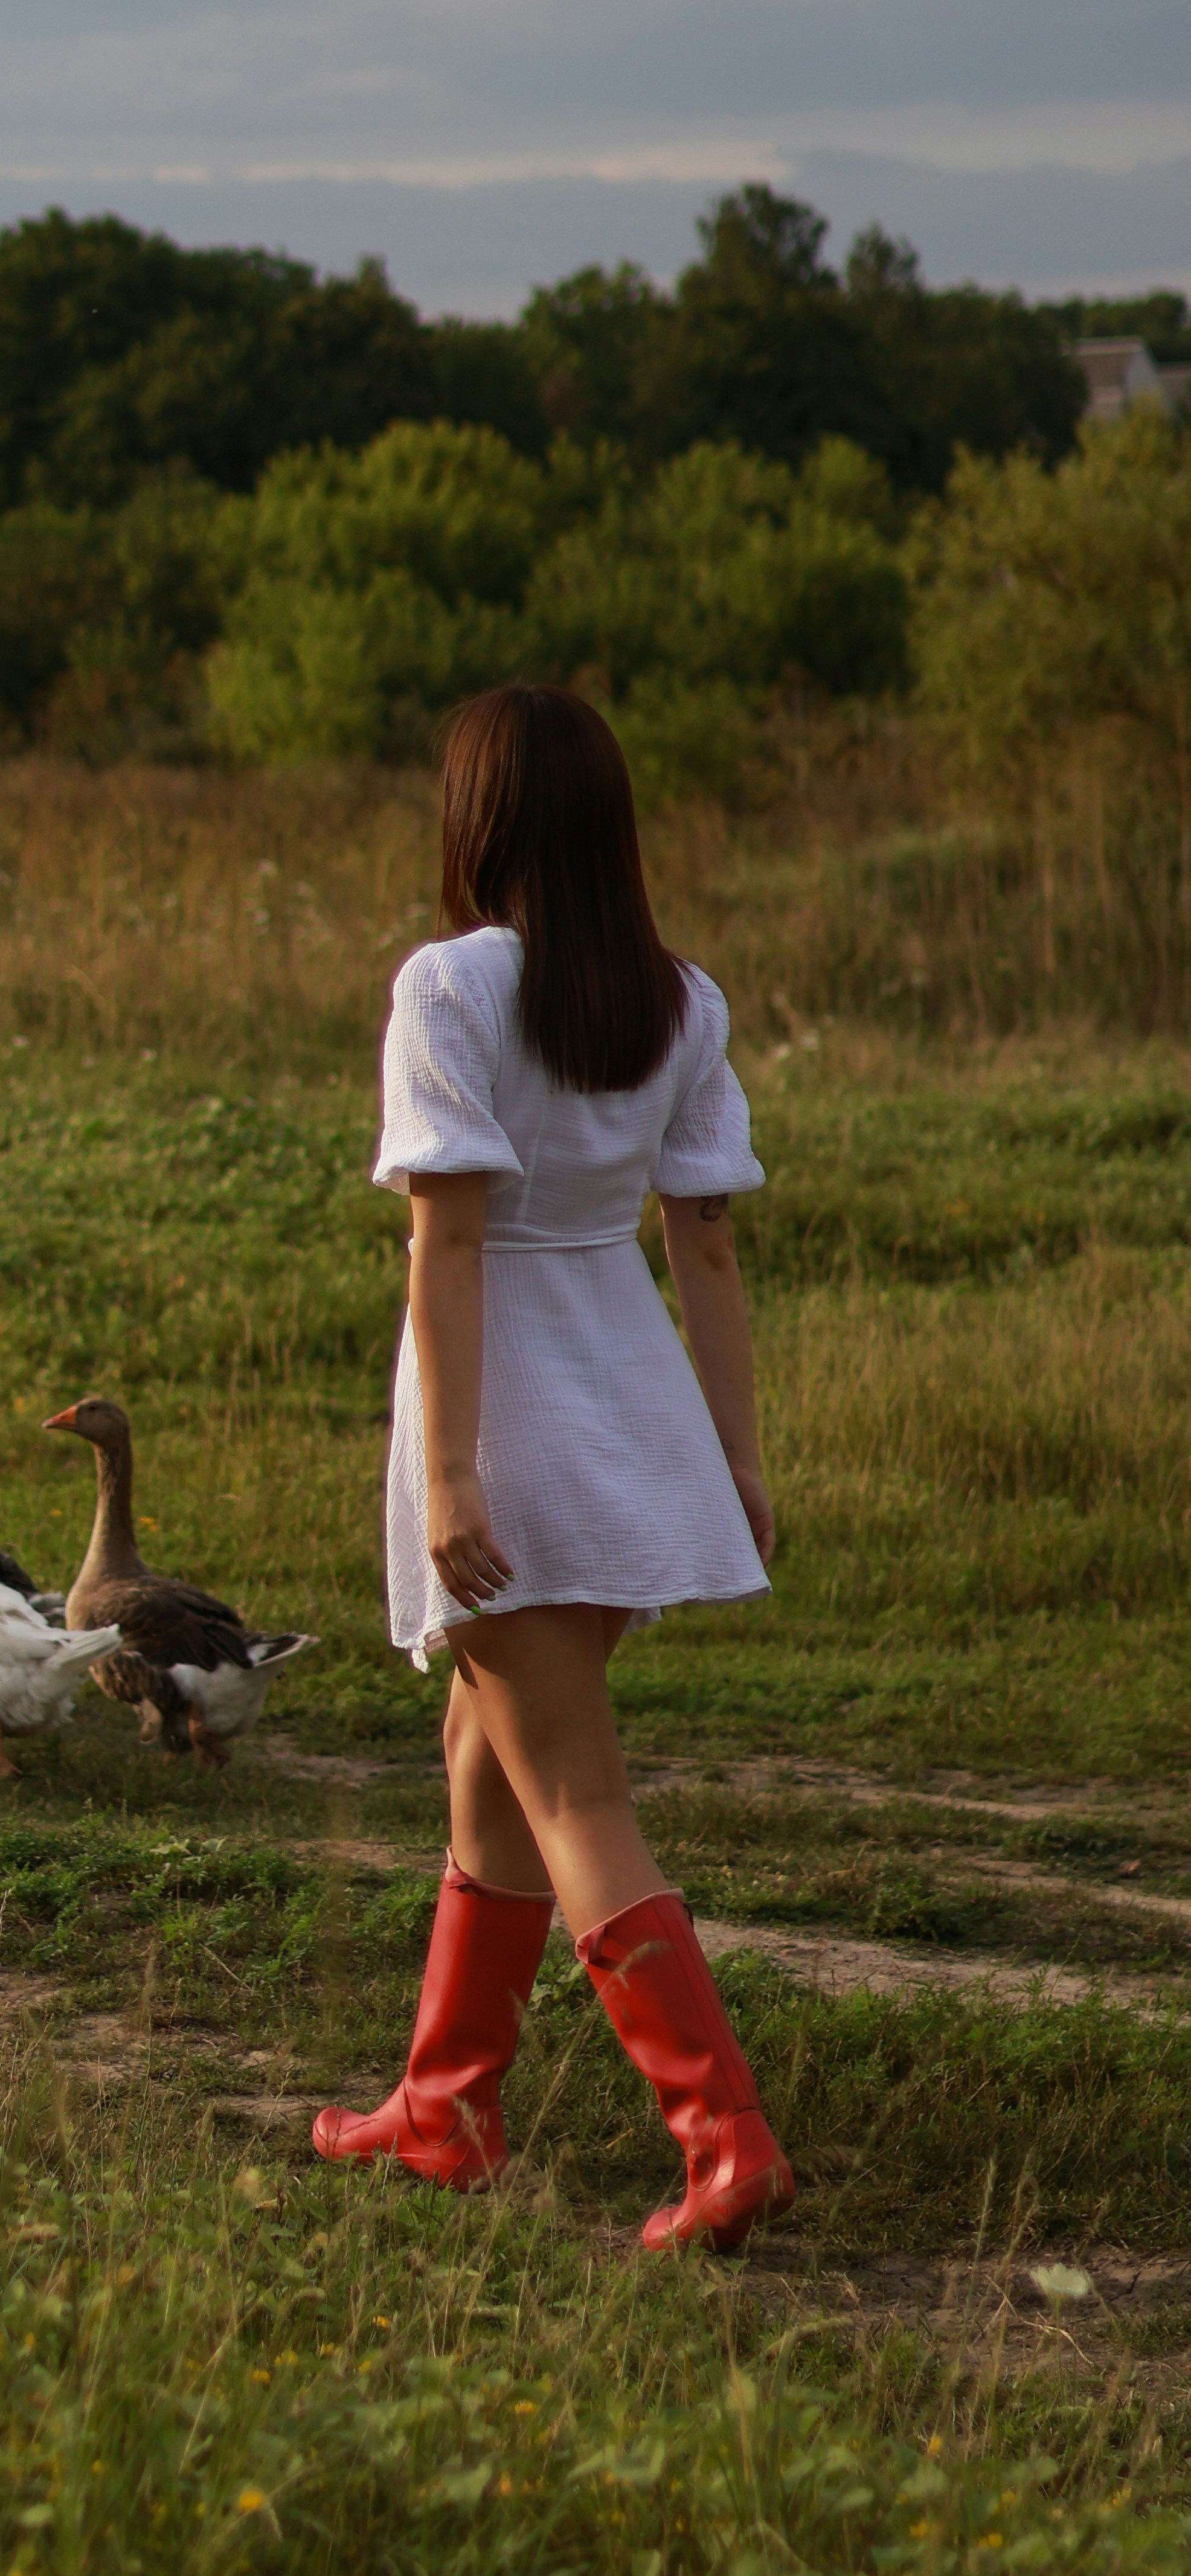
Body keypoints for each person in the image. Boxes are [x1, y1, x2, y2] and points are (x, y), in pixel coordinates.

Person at [310, 683, 793, 2250]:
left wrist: (450, 1480)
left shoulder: (449, 989)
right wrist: (724, 1461)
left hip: (512, 1421)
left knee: (573, 1788)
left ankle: (727, 2142)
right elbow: (702, 1245)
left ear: (482, 821)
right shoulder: (678, 999)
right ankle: (445, 2106)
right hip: (629, 1409)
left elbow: (448, 1241)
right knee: (484, 1759)